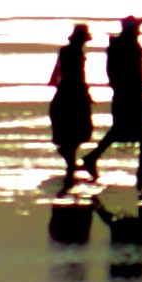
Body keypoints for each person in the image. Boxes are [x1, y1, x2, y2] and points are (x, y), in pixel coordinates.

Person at [47, 21, 97, 193]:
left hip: (64, 94)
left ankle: (71, 166)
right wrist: (86, 94)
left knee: (69, 134)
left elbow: (55, 76)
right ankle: (71, 166)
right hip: (73, 95)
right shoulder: (76, 54)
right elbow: (78, 76)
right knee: (75, 132)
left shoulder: (65, 51)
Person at [105, 15, 142, 187]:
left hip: (129, 92)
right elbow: (117, 71)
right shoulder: (125, 45)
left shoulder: (121, 44)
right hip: (128, 94)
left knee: (124, 131)